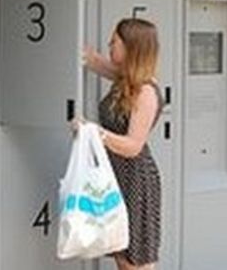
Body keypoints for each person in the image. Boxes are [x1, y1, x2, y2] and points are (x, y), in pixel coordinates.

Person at [77, 17, 163, 270]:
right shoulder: (126, 79)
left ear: (131, 48)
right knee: (122, 258)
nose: (109, 45)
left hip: (135, 181)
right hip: (116, 177)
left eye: (114, 42)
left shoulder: (146, 91)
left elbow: (133, 145)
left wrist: (94, 133)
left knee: (134, 262)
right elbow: (94, 61)